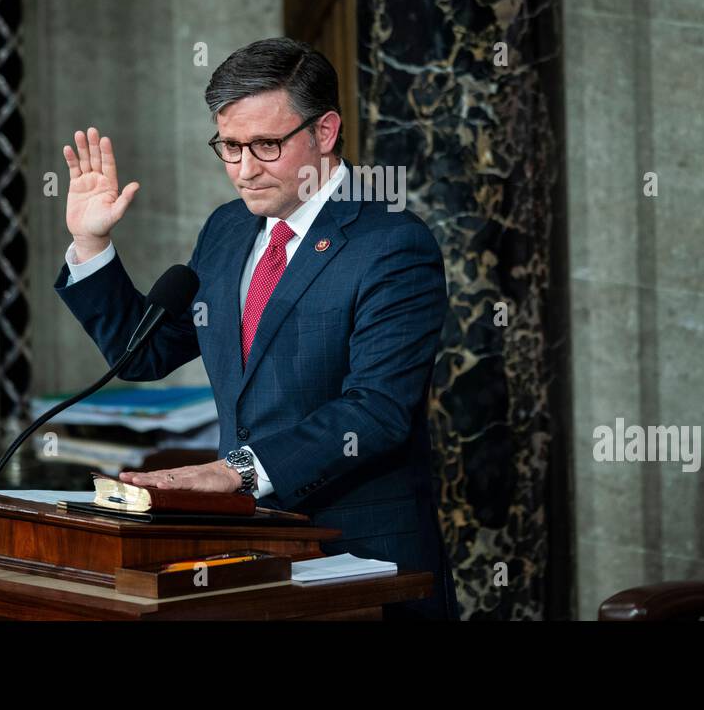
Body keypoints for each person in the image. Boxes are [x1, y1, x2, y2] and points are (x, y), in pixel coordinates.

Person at [54, 37, 457, 620]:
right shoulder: (226, 230)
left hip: (356, 558)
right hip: (243, 557)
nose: (243, 170)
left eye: (266, 145)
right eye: (229, 146)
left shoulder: (392, 242)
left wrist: (235, 472)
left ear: (324, 132)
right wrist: (92, 244)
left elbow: (376, 410)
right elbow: (143, 355)